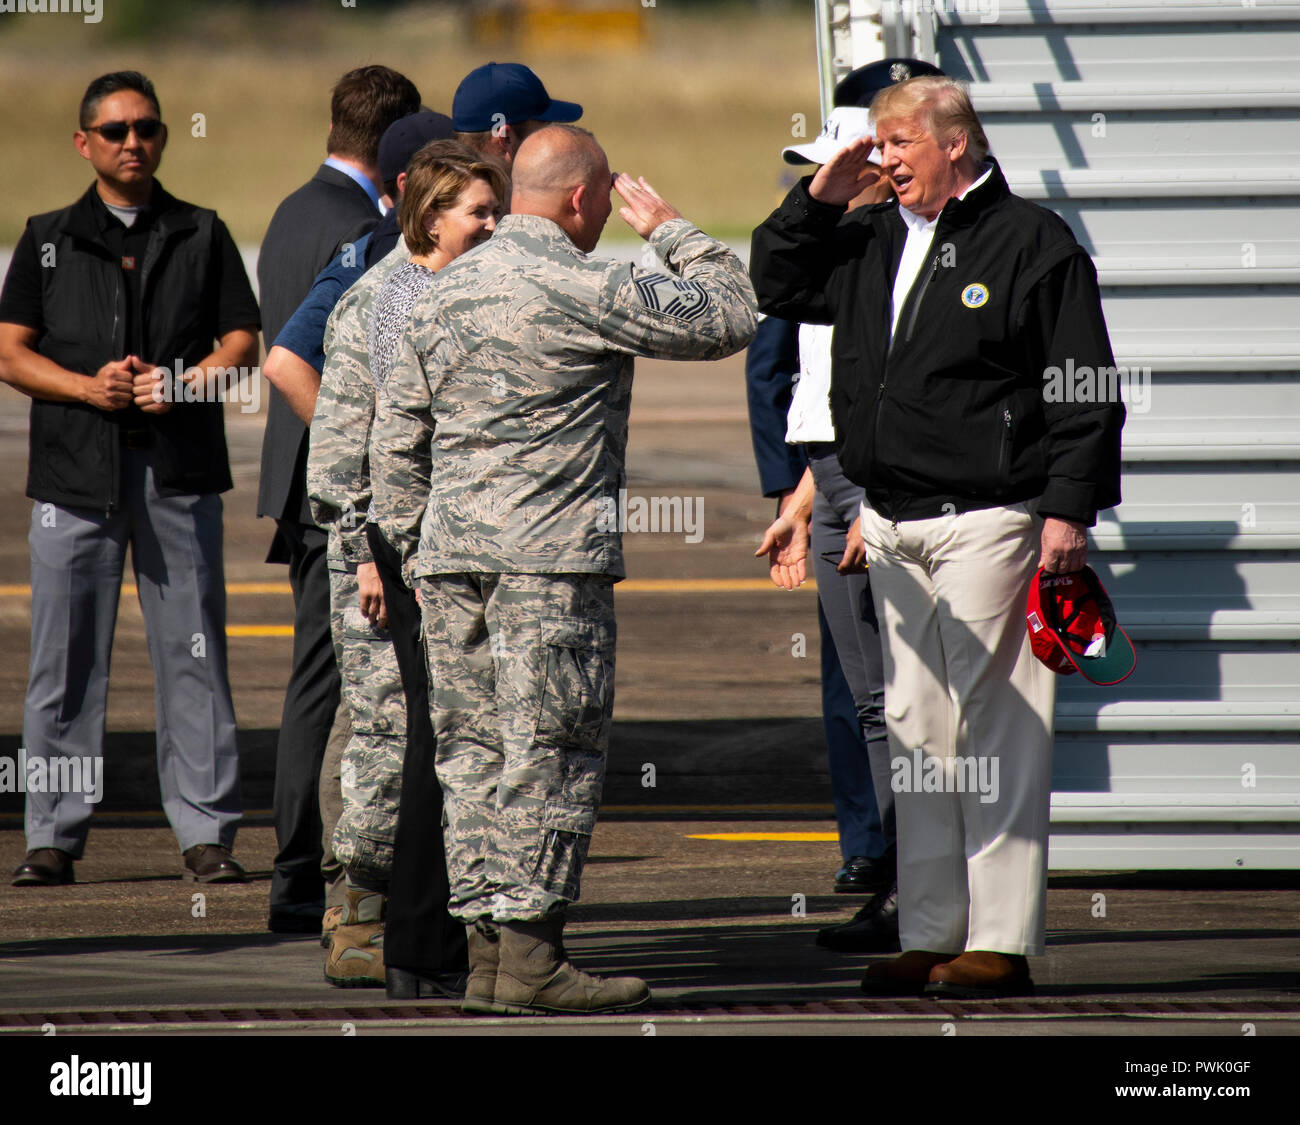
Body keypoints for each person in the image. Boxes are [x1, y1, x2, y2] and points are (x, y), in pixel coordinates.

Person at [371, 124, 757, 1015]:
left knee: (470, 756)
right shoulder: (587, 282)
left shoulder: (436, 290)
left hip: (451, 564)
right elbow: (730, 312)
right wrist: (672, 229)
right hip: (546, 566)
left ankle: (485, 963)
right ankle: (535, 958)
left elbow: (395, 446)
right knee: (551, 751)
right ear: (582, 201)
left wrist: (415, 549)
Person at [751, 76, 1124, 997]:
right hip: (891, 521)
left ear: (954, 143)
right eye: (876, 146)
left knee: (998, 726)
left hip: (989, 522)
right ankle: (930, 928)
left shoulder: (1032, 240)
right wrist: (820, 193)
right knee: (920, 728)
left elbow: (1084, 383)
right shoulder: (874, 234)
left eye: (897, 143)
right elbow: (776, 278)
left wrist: (1069, 509)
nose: (884, 159)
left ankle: (999, 938)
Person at [0, 71, 259, 886]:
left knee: (193, 653)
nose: (132, 142)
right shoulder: (47, 236)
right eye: (114, 131)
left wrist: (181, 383)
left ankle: (206, 832)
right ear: (85, 143)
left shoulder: (201, 231)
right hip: (74, 476)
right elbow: (10, 351)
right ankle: (51, 833)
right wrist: (87, 388)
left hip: (176, 474)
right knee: (64, 659)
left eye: (146, 128)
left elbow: (243, 345)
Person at [308, 140, 507, 990]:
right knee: (385, 735)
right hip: (382, 555)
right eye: (478, 213)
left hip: (448, 551)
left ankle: (444, 921)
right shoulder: (386, 303)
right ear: (430, 218)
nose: (494, 225)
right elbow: (345, 447)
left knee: (448, 740)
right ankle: (357, 912)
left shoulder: (464, 291)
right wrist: (365, 556)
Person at [755, 58, 944, 953]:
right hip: (830, 476)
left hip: (877, 484)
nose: (825, 189)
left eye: (846, 170)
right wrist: (804, 495)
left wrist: (878, 499)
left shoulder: (918, 253)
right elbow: (815, 366)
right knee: (875, 701)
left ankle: (930, 886)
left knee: (912, 700)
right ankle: (901, 881)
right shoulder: (854, 252)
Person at [256, 65, 421, 934]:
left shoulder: (291, 208)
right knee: (331, 685)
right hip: (331, 487)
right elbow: (300, 361)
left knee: (315, 676)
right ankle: (300, 874)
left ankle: (298, 870)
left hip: (292, 478)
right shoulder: (362, 227)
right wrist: (353, 450)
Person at [451, 61, 583, 170]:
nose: (550, 144)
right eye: (542, 133)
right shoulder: (500, 200)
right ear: (505, 138)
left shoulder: (437, 192)